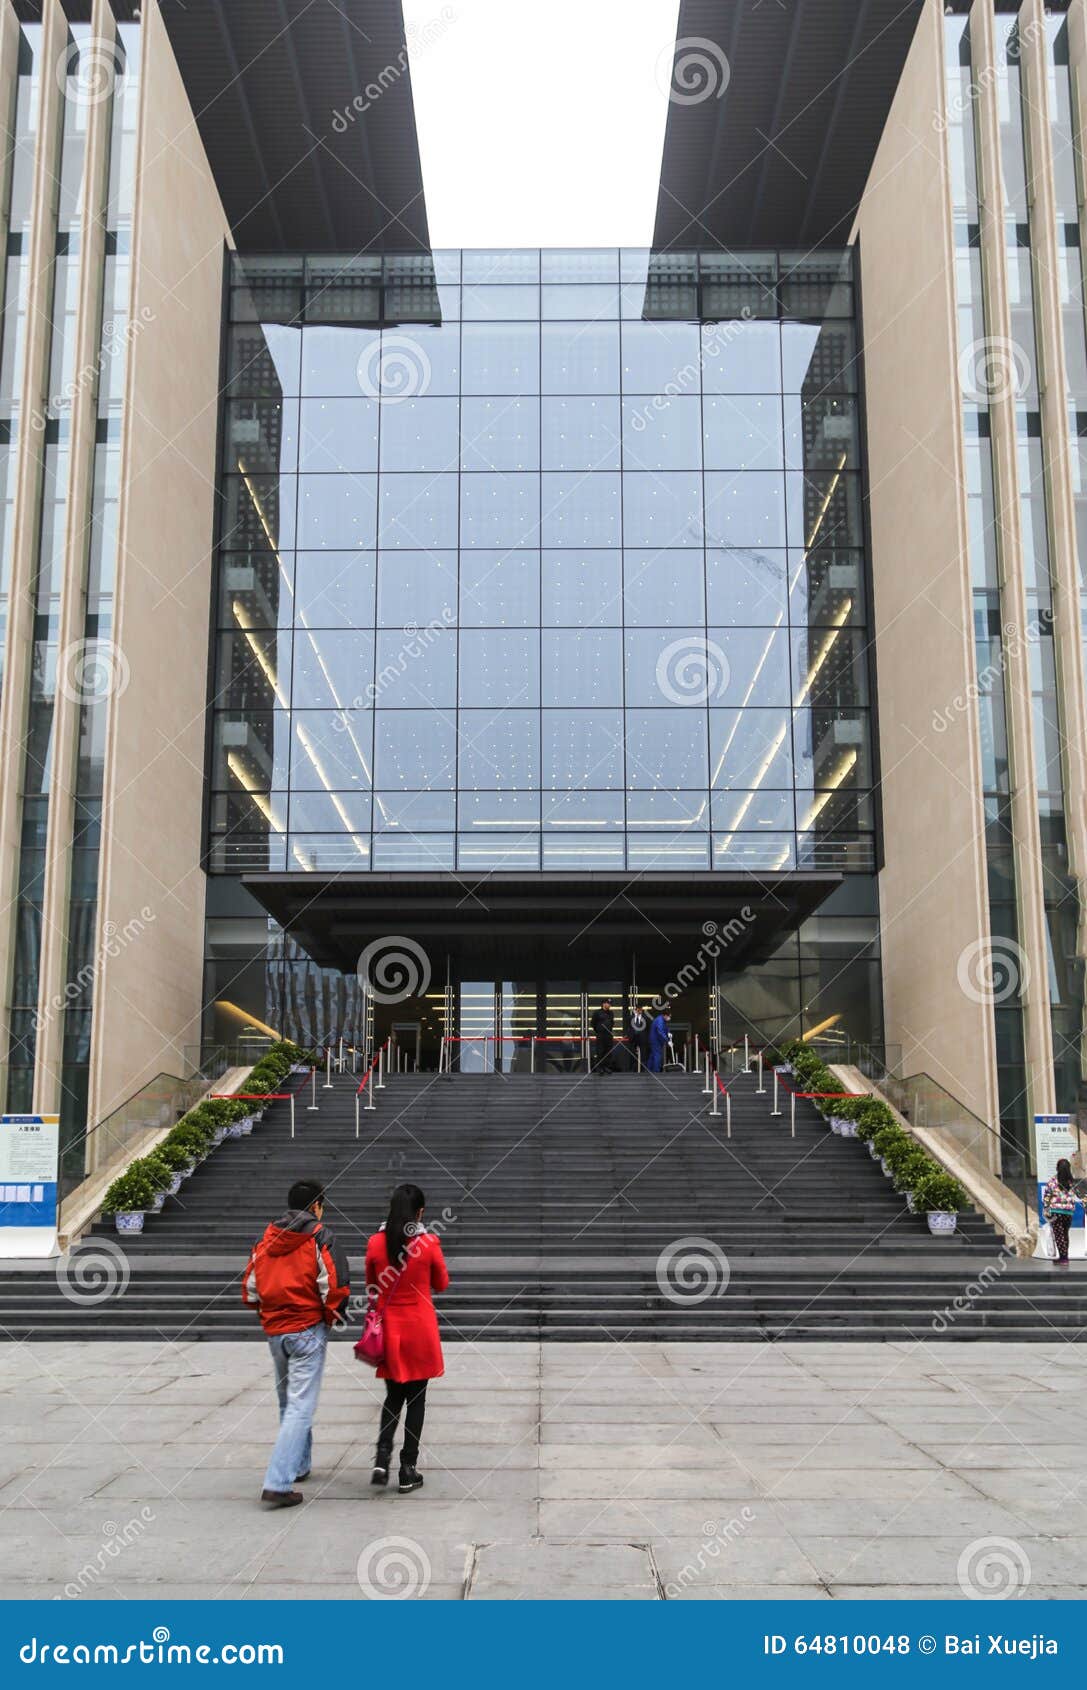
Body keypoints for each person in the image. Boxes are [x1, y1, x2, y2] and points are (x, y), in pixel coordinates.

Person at [242, 1178, 349, 1508]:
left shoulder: (266, 1239)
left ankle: (299, 1465)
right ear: (317, 1206)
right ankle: (278, 1481)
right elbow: (335, 1284)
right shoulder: (319, 1236)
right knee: (302, 1405)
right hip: (307, 1328)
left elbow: (250, 1288)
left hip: (276, 1331)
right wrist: (331, 1317)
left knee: (288, 1402)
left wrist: (268, 1314)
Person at [366, 1183, 450, 1493]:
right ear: (420, 1212)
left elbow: (372, 1286)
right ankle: (407, 1467)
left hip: (390, 1330)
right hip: (420, 1330)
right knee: (417, 1399)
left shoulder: (375, 1243)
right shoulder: (427, 1243)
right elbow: (441, 1283)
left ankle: (381, 1456)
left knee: (393, 1396)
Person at [1042, 1157, 1078, 1267]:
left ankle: (1063, 1258)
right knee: (1065, 1234)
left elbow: (1047, 1197)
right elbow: (1080, 1195)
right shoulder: (1072, 1182)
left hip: (1055, 1212)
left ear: (1057, 1168)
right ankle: (1064, 1256)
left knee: (1059, 1235)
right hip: (1068, 1213)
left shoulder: (1053, 1181)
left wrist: (1046, 1209)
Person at [591, 998, 615, 1074]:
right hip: (601, 1035)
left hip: (609, 1035)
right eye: (608, 1003)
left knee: (608, 1052)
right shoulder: (597, 1012)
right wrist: (598, 1030)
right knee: (600, 1051)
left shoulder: (611, 1013)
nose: (609, 1005)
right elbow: (593, 1023)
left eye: (610, 1004)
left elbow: (612, 1023)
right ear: (604, 1004)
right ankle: (600, 1068)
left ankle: (606, 1067)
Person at [627, 1002, 651, 1072]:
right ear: (635, 1009)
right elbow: (628, 1027)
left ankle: (643, 1069)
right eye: (638, 1009)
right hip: (633, 1038)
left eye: (640, 1009)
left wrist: (646, 1036)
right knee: (632, 1054)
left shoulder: (646, 1018)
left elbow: (648, 1028)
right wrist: (629, 1035)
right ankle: (632, 1069)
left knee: (643, 1054)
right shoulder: (631, 1018)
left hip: (642, 1039)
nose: (639, 1011)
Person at [648, 1005, 671, 1073]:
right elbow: (660, 1031)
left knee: (653, 1055)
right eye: (669, 1016)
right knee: (657, 1055)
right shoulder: (660, 1020)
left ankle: (649, 1070)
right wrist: (667, 1040)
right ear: (665, 1015)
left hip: (656, 1041)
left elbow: (665, 1028)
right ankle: (656, 1071)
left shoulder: (662, 1020)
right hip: (655, 1041)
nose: (670, 1018)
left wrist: (668, 1033)